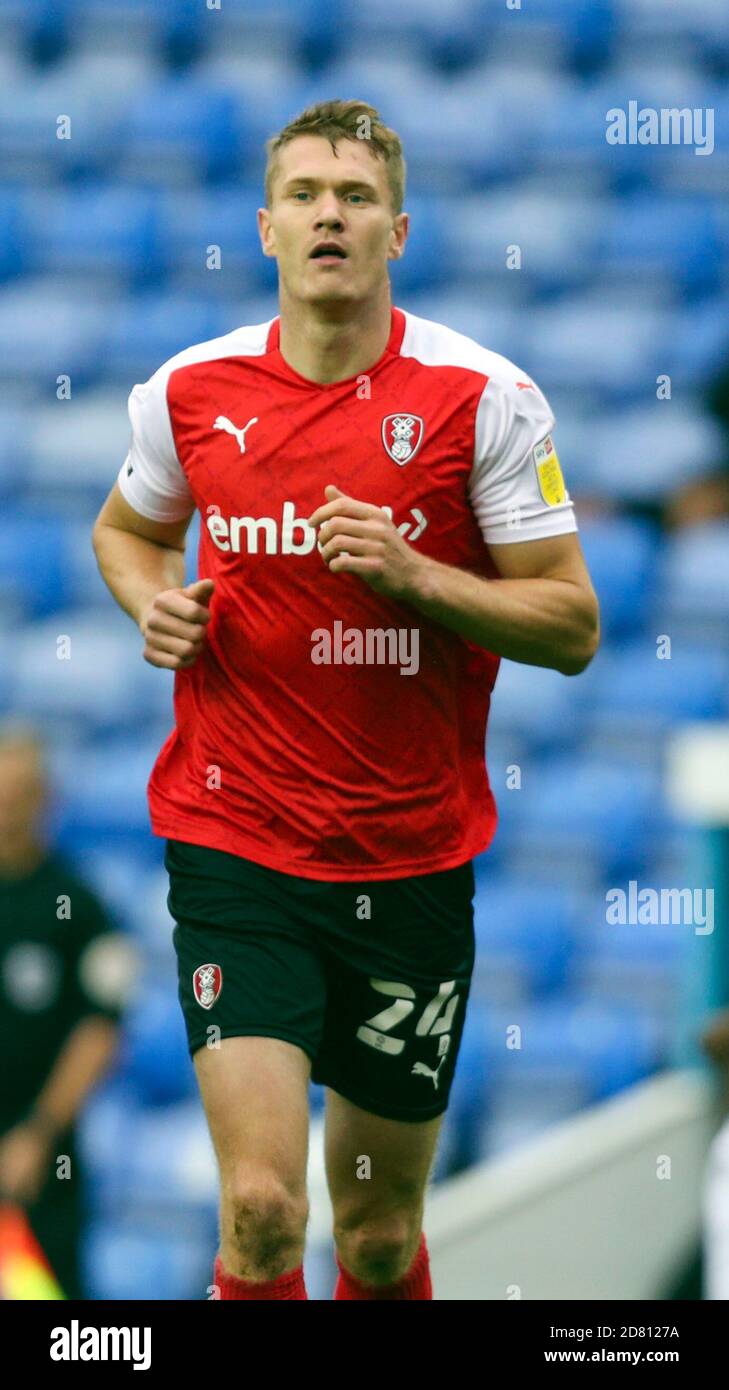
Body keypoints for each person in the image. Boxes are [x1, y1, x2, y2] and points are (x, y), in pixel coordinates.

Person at [92, 99, 600, 1301]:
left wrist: (417, 572)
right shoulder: (187, 392)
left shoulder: (488, 398)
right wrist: (147, 601)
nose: (332, 213)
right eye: (308, 195)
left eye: (357, 197)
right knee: (263, 1212)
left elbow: (573, 625)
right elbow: (125, 532)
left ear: (398, 231)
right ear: (266, 227)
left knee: (374, 1234)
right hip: (238, 848)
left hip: (409, 860)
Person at [0, 723, 134, 1299]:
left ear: (46, 801)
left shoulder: (77, 906)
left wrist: (38, 1134)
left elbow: (102, 1029)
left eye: (21, 796)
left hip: (42, 1161)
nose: (8, 811)